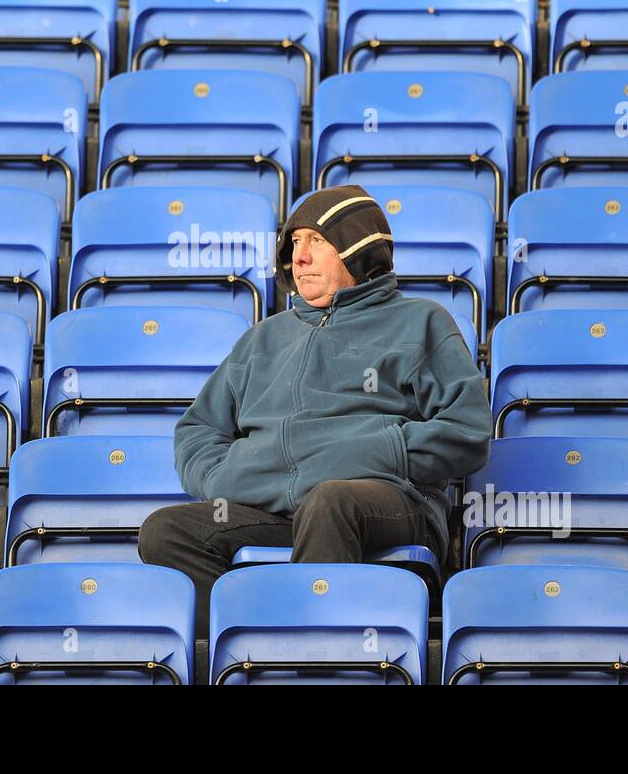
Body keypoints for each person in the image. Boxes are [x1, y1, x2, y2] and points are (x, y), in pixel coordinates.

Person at [138, 185, 492, 634]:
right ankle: (261, 644)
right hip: (277, 511)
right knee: (165, 530)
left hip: (387, 505)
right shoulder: (264, 338)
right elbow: (199, 428)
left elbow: (468, 431)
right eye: (295, 243)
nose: (298, 257)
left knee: (331, 500)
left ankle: (307, 659)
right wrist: (219, 476)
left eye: (316, 241)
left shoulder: (421, 322)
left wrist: (386, 450)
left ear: (358, 252)